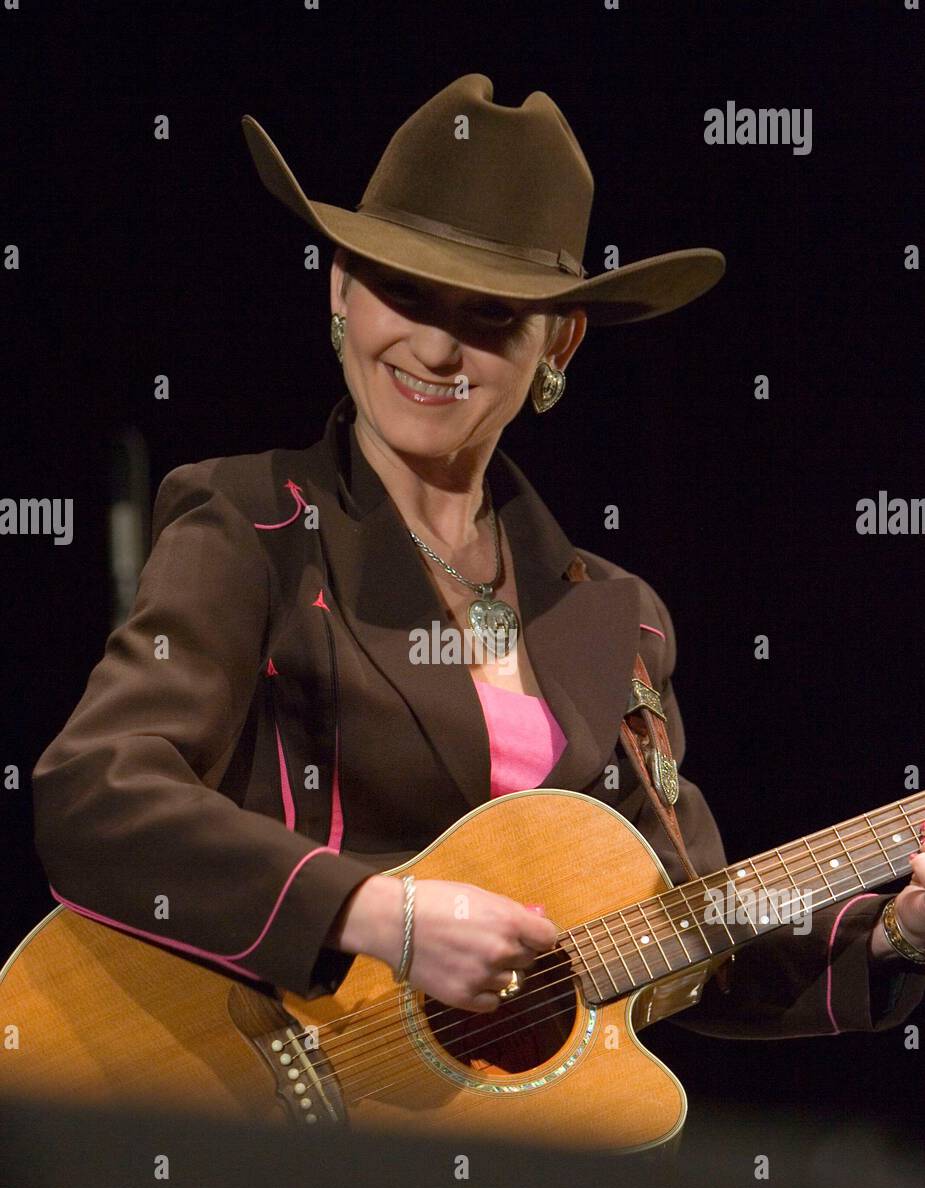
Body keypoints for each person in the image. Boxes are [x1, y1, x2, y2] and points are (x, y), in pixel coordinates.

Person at [31, 74, 925, 1049]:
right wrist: (377, 915)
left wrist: (885, 932)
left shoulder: (619, 617)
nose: (433, 345)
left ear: (559, 344)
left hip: (507, 1163)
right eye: (401, 291)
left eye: (490, 314)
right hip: (260, 1098)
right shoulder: (250, 523)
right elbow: (97, 792)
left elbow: (683, 932)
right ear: (338, 288)